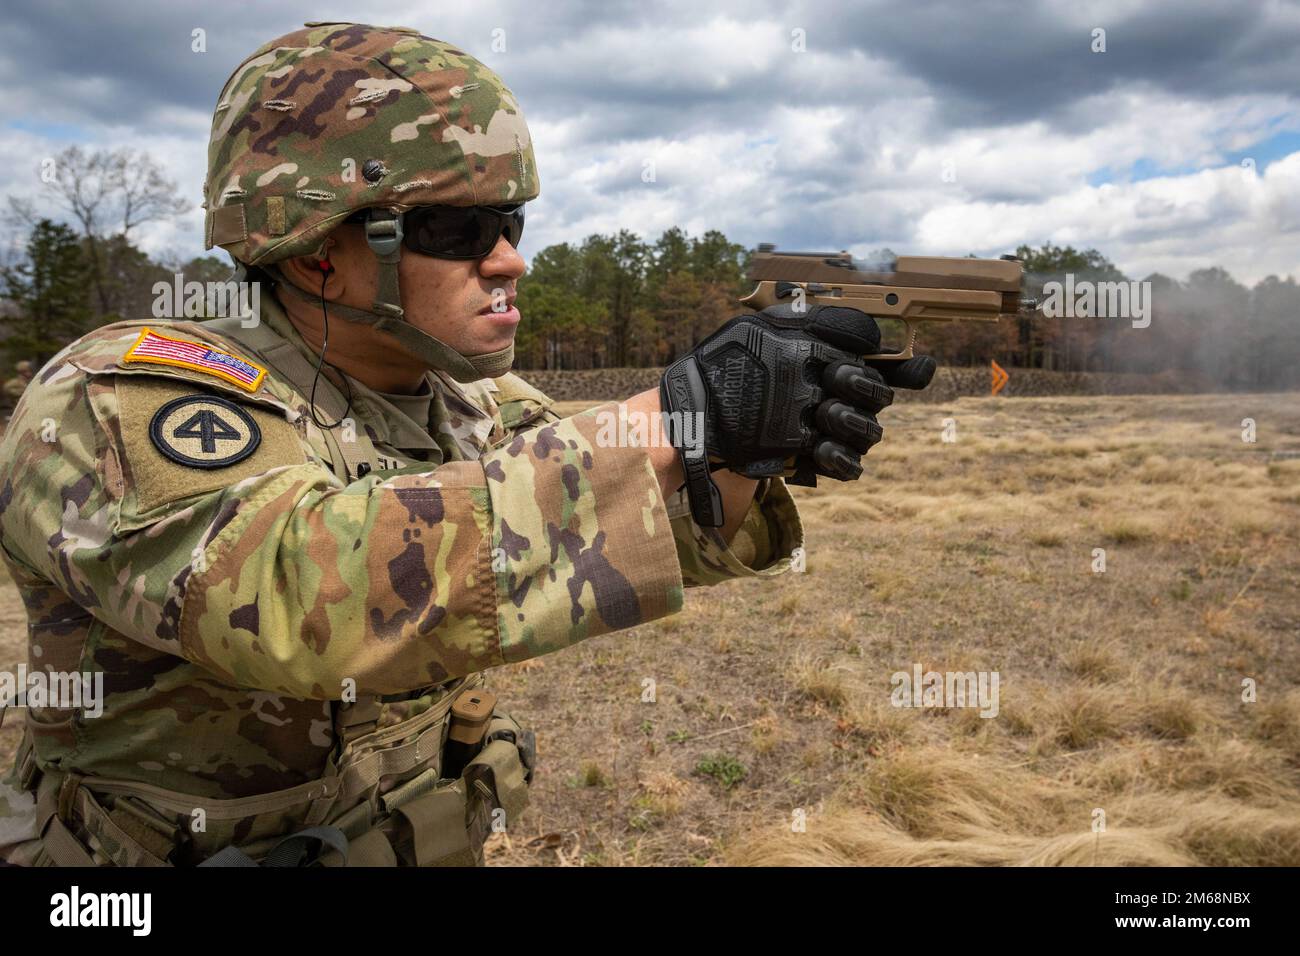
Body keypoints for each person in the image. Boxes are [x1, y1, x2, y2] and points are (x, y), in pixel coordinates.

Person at [0, 22, 928, 867]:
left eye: (512, 222)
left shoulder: (462, 396)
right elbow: (297, 600)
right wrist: (675, 414)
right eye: (458, 229)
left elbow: (642, 522)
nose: (510, 259)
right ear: (316, 247)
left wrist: (734, 445)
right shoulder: (117, 394)